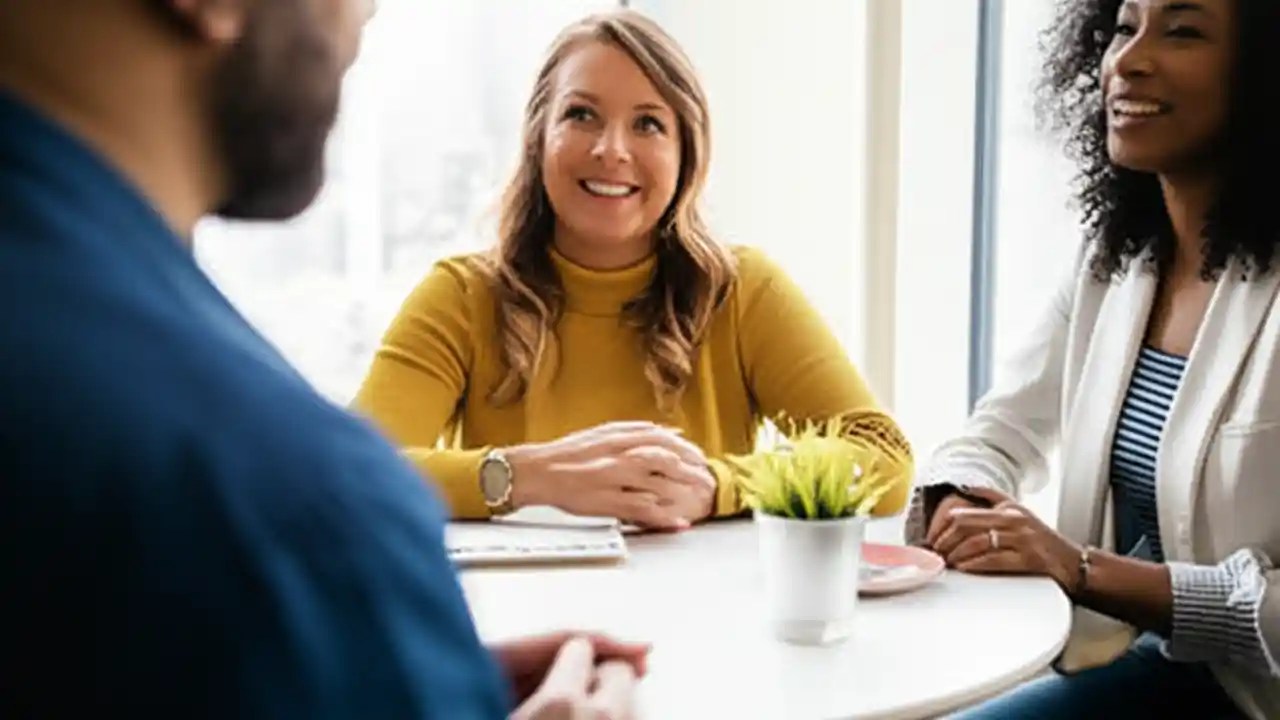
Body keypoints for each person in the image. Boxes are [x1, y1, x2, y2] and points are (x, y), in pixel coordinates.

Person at [0, 1, 646, 718]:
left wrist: (340, 667)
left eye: (649, 123)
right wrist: (347, 630)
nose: (370, 11)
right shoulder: (288, 512)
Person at [352, 9, 913, 529]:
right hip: (519, 618)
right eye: (581, 115)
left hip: (708, 612)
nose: (611, 150)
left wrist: (721, 486)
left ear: (685, 154)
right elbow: (353, 477)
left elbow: (883, 457)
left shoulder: (741, 291)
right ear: (538, 139)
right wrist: (528, 477)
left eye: (648, 124)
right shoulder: (462, 296)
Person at [903, 0, 1280, 717]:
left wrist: (1079, 568)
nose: (1128, 60)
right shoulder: (1118, 263)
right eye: (1124, 26)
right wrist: (964, 502)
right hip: (1127, 663)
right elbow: (998, 432)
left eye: (1184, 30)